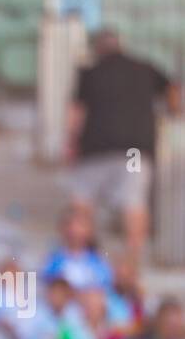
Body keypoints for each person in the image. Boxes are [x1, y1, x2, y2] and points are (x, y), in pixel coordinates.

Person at [67, 28, 180, 256]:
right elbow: (173, 86)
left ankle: (81, 253)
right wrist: (174, 110)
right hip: (135, 151)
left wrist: (70, 143)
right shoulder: (144, 67)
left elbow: (77, 112)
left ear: (97, 49)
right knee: (134, 202)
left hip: (95, 148)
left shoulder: (90, 72)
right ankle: (133, 257)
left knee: (83, 199)